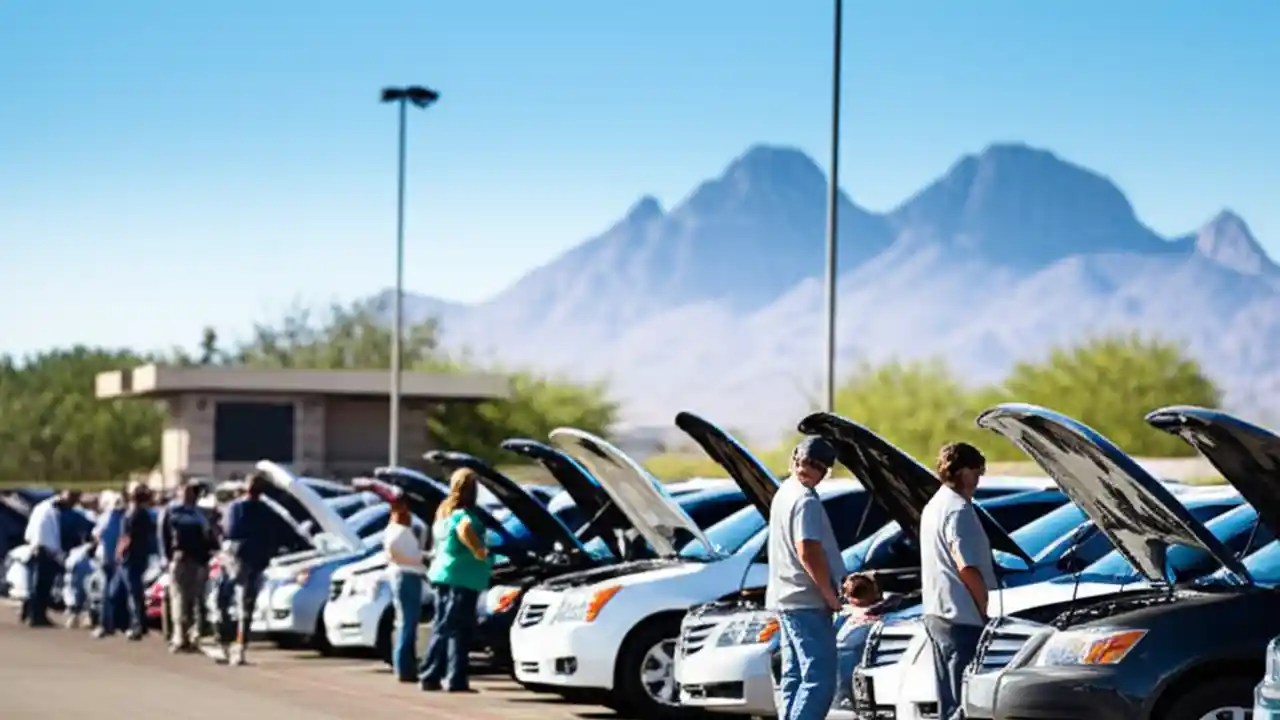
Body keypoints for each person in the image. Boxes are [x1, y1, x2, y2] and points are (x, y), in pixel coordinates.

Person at [767, 436, 845, 720]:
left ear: (824, 471)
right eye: (804, 462)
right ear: (795, 459)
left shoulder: (785, 491)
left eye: (815, 465)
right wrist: (829, 594)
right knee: (819, 680)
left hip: (786, 598)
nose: (806, 469)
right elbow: (808, 549)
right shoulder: (805, 500)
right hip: (806, 600)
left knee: (795, 676)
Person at [919, 442, 995, 720]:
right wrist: (985, 607)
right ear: (962, 471)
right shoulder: (958, 510)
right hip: (962, 617)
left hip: (936, 613)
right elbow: (967, 566)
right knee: (965, 704)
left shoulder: (933, 506)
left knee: (948, 702)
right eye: (977, 471)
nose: (978, 479)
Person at [419, 468, 491, 693]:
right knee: (454, 628)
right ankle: (435, 675)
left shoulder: (443, 511)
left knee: (447, 627)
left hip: (443, 574)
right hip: (462, 577)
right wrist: (480, 551)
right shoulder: (462, 514)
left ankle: (450, 677)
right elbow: (465, 529)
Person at [217, 470, 281, 666]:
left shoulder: (237, 508)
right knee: (241, 606)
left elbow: (229, 531)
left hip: (240, 560)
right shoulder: (263, 510)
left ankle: (230, 644)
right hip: (248, 561)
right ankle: (236, 645)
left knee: (229, 602)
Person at [161, 480, 216, 653]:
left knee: (195, 599)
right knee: (179, 599)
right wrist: (167, 557)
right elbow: (163, 535)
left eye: (192, 492)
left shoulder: (201, 514)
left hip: (199, 561)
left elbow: (210, 537)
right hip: (180, 559)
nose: (189, 495)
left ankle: (193, 635)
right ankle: (179, 636)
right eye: (186, 491)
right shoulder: (172, 512)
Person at [383, 492, 427, 682]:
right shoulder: (398, 530)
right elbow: (393, 552)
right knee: (408, 623)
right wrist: (419, 558)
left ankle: (405, 666)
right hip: (407, 575)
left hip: (405, 574)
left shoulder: (395, 528)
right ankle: (404, 668)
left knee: (406, 623)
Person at [21, 491, 76, 627]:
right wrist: (54, 553)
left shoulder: (42, 508)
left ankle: (30, 614)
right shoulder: (49, 511)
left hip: (39, 549)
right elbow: (46, 535)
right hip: (44, 551)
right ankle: (37, 617)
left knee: (36, 585)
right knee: (42, 586)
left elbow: (31, 532)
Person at [115, 482, 156, 641]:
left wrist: (120, 552)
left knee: (133, 593)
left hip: (131, 558)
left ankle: (137, 625)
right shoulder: (144, 514)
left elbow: (127, 537)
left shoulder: (132, 514)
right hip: (140, 556)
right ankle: (139, 623)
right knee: (136, 592)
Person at [91, 490, 126, 638]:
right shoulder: (119, 517)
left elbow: (98, 534)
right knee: (111, 593)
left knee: (108, 594)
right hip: (114, 560)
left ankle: (107, 624)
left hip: (110, 559)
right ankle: (111, 624)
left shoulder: (108, 517)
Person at [62, 539, 96, 629]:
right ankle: (78, 617)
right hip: (81, 573)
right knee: (82, 594)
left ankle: (85, 617)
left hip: (83, 573)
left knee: (86, 594)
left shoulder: (76, 553)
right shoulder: (78, 553)